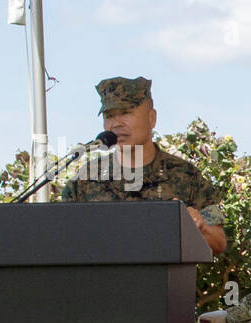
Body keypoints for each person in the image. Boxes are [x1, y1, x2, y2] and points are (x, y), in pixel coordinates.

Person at [59, 76, 227, 255]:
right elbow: (61, 241)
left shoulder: (186, 175)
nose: (116, 123)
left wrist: (197, 227)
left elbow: (219, 243)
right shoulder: (85, 179)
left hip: (167, 281)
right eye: (109, 116)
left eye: (126, 113)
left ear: (152, 118)